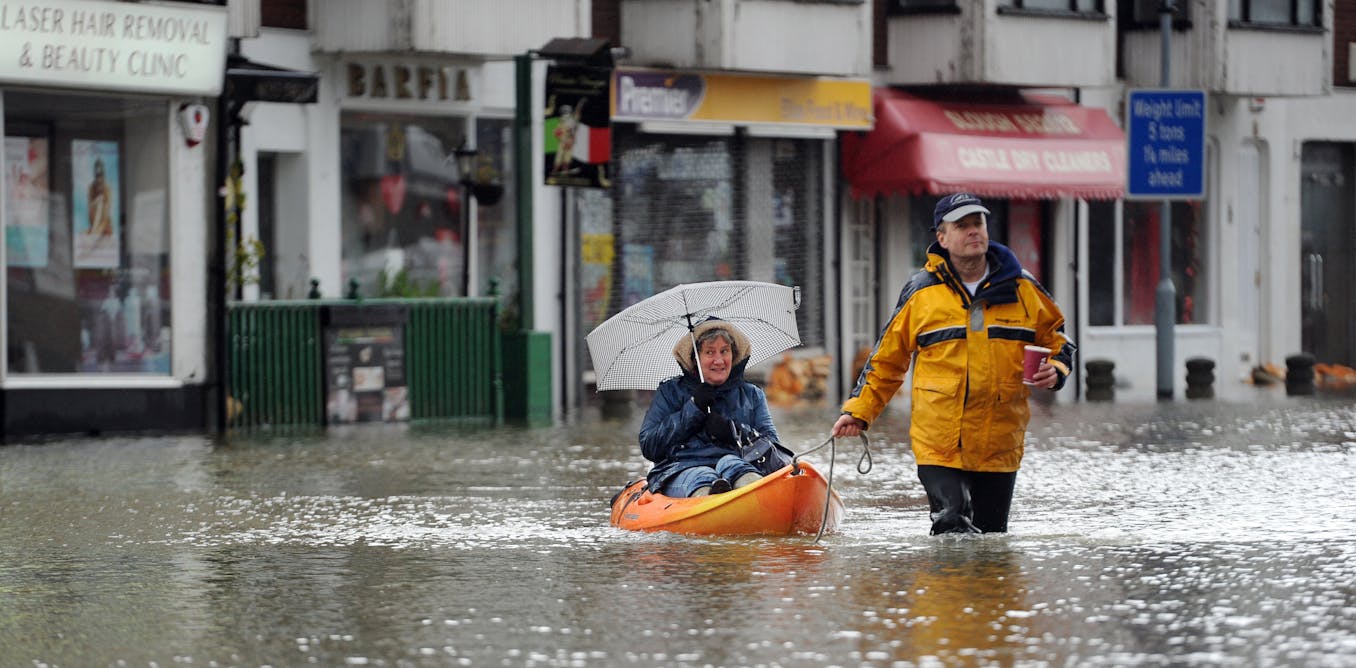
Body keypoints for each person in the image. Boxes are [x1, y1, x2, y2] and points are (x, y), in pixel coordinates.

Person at [831, 192, 1075, 534]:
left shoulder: (1022, 287)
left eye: (978, 223)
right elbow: (887, 360)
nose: (973, 231)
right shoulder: (920, 293)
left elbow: (1058, 339)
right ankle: (947, 587)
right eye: (962, 225)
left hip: (1000, 441)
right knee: (952, 519)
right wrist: (859, 412)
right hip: (939, 442)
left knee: (991, 539)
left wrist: (1057, 369)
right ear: (942, 238)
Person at [638, 319, 778, 497]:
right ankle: (711, 502)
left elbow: (773, 445)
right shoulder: (669, 392)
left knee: (737, 467)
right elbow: (650, 446)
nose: (719, 361)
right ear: (695, 359)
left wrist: (733, 431)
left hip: (737, 463)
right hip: (682, 469)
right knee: (701, 477)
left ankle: (754, 500)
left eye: (724, 351)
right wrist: (694, 409)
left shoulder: (752, 394)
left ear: (733, 355)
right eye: (709, 352)